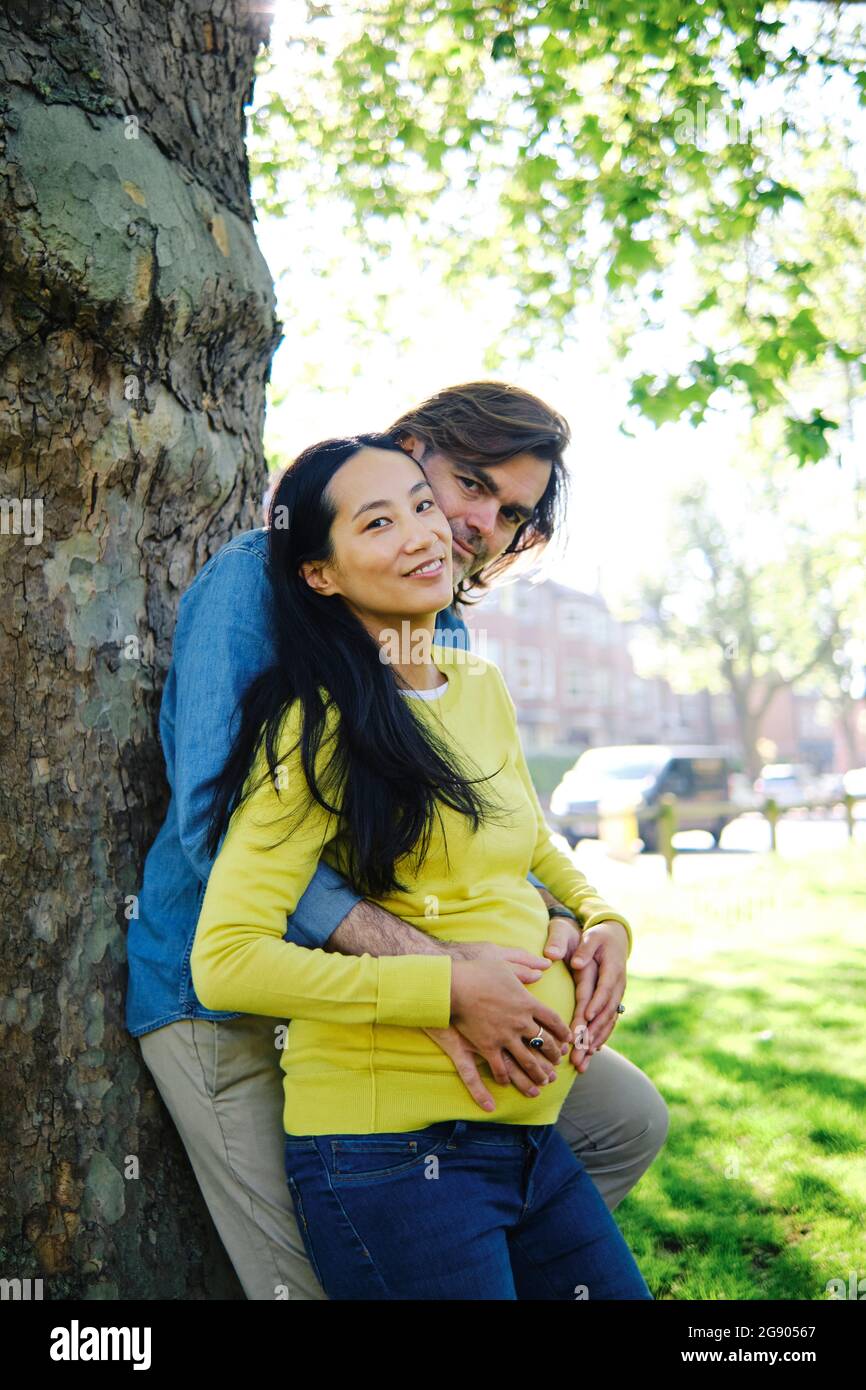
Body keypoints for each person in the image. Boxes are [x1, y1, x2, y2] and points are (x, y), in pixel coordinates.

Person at [129, 381, 668, 1300]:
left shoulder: (447, 635)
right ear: (410, 447)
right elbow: (213, 823)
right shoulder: (256, 581)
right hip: (226, 1003)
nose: (478, 522)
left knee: (623, 1119)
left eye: (511, 513)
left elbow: (495, 826)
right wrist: (439, 982)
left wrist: (575, 915)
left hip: (403, 1004)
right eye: (468, 483)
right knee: (309, 1282)